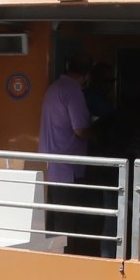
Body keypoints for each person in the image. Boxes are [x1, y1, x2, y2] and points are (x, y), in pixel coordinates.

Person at [39, 54, 99, 253]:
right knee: (68, 225)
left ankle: (54, 261)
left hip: (50, 167)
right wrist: (100, 133)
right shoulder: (73, 91)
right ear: (86, 75)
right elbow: (81, 129)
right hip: (67, 170)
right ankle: (66, 264)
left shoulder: (54, 88)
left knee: (54, 223)